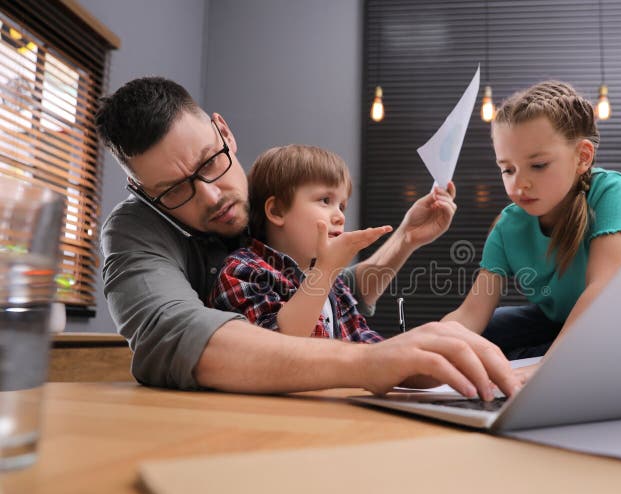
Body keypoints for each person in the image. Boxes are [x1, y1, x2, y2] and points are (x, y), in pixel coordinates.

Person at [95, 76, 521, 401]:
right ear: (145, 194)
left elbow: (333, 292)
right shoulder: (135, 231)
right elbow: (178, 336)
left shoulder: (263, 199)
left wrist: (405, 238)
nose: (211, 195)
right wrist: (373, 361)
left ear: (224, 132)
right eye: (174, 190)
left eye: (211, 162)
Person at [446, 80, 621, 356]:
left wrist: (546, 367)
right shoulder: (508, 226)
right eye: (507, 170)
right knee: (490, 330)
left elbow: (603, 286)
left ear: (583, 157)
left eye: (538, 166)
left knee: (537, 353)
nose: (519, 184)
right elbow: (471, 314)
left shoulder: (611, 190)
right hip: (559, 324)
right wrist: (420, 350)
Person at [209, 144, 387, 343]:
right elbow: (277, 350)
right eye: (325, 200)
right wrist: (325, 271)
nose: (340, 217)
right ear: (277, 211)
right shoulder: (243, 272)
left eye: (342, 206)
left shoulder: (334, 284)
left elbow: (362, 341)